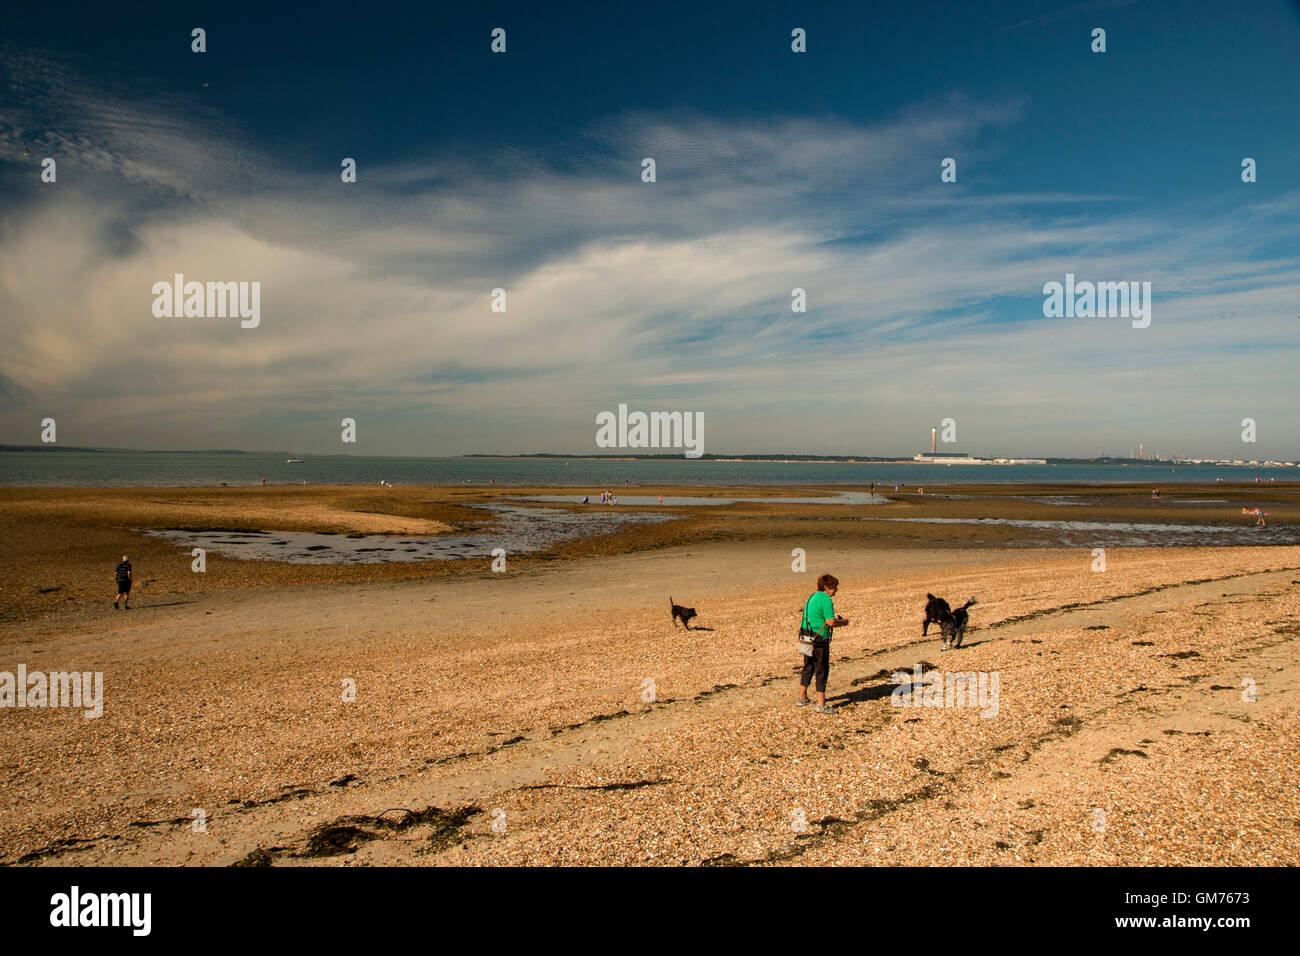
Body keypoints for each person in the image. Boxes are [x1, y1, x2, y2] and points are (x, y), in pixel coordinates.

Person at [797, 573, 848, 713]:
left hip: (806, 637)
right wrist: (844, 622)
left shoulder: (812, 596)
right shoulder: (826, 599)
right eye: (834, 587)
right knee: (822, 669)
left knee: (808, 666)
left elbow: (814, 615)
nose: (836, 590)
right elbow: (830, 622)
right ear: (826, 587)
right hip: (819, 639)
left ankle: (802, 697)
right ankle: (821, 704)